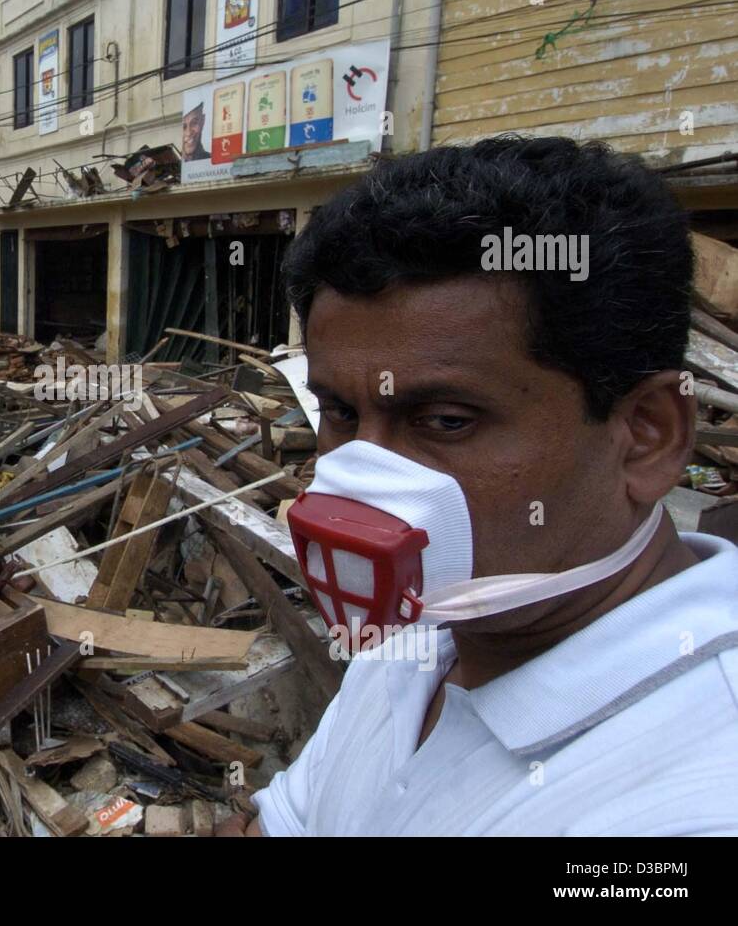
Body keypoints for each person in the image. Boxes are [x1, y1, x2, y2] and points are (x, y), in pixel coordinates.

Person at [225, 136, 738, 836]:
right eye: (341, 413)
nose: (360, 483)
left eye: (444, 419)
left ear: (646, 434)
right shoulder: (425, 635)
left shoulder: (699, 792)